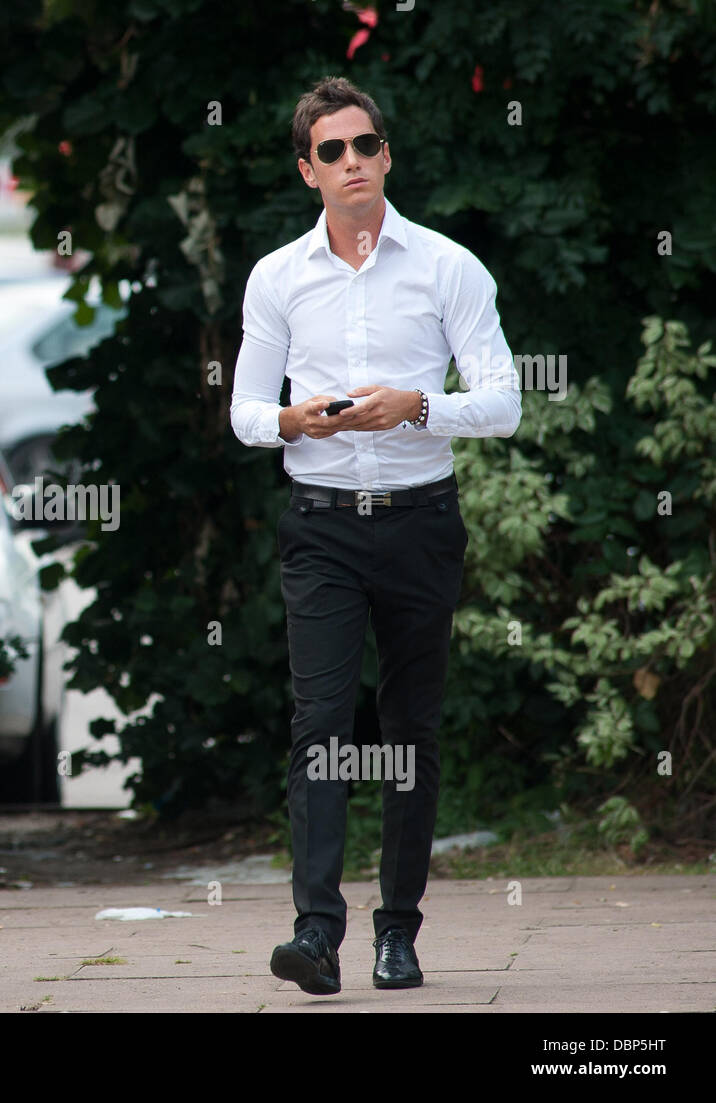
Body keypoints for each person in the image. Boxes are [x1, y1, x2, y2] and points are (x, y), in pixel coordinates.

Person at [230, 76, 521, 995]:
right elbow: (243, 412)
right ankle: (316, 930)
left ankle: (400, 928)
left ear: (386, 156)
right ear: (307, 168)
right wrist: (296, 421)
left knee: (410, 728)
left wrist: (418, 404)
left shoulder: (448, 268)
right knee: (317, 724)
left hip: (420, 523)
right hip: (320, 529)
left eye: (365, 146)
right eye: (332, 151)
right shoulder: (277, 276)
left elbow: (505, 403)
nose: (351, 162)